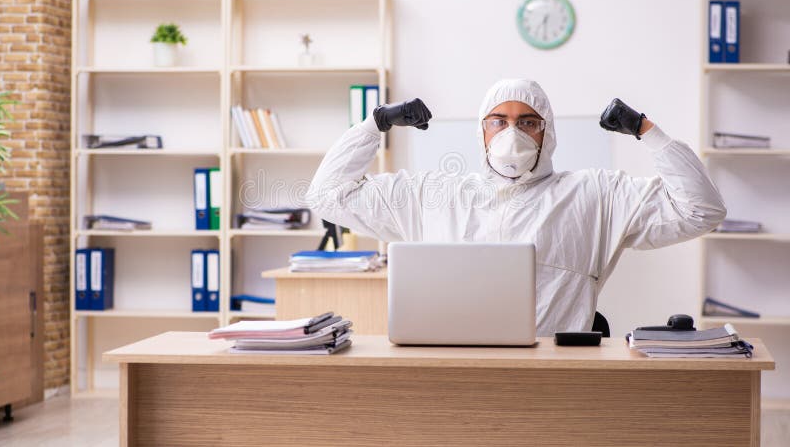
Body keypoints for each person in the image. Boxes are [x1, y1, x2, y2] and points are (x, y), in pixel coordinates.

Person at [305, 79, 726, 335]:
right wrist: (375, 122)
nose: (512, 133)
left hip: (557, 380)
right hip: (457, 375)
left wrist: (646, 131)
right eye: (498, 121)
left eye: (527, 122)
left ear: (547, 131)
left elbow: (701, 210)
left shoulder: (595, 195)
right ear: (481, 132)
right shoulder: (433, 195)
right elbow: (327, 194)